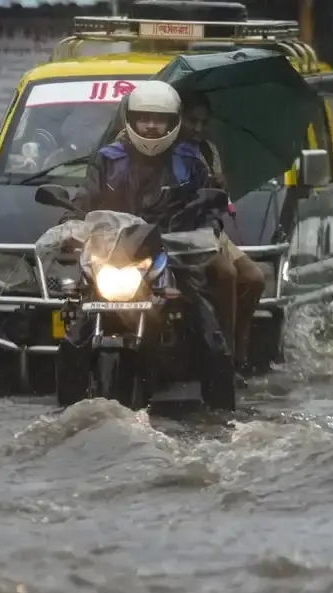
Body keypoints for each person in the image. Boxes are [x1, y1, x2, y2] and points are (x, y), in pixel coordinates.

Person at [62, 80, 236, 409]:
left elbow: (209, 207)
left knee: (212, 339)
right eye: (144, 118)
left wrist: (205, 226)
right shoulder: (108, 159)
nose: (151, 125)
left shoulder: (191, 160)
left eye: (159, 119)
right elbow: (85, 198)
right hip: (114, 258)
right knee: (74, 339)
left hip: (171, 256)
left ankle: (222, 418)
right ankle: (65, 414)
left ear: (173, 123)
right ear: (131, 119)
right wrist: (69, 222)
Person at [180, 91, 265, 377]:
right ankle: (223, 354)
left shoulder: (208, 151)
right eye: (192, 121)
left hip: (212, 228)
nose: (199, 128)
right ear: (179, 119)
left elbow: (218, 199)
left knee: (254, 278)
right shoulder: (167, 150)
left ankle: (239, 349)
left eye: (204, 122)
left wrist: (219, 187)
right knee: (226, 274)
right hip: (183, 231)